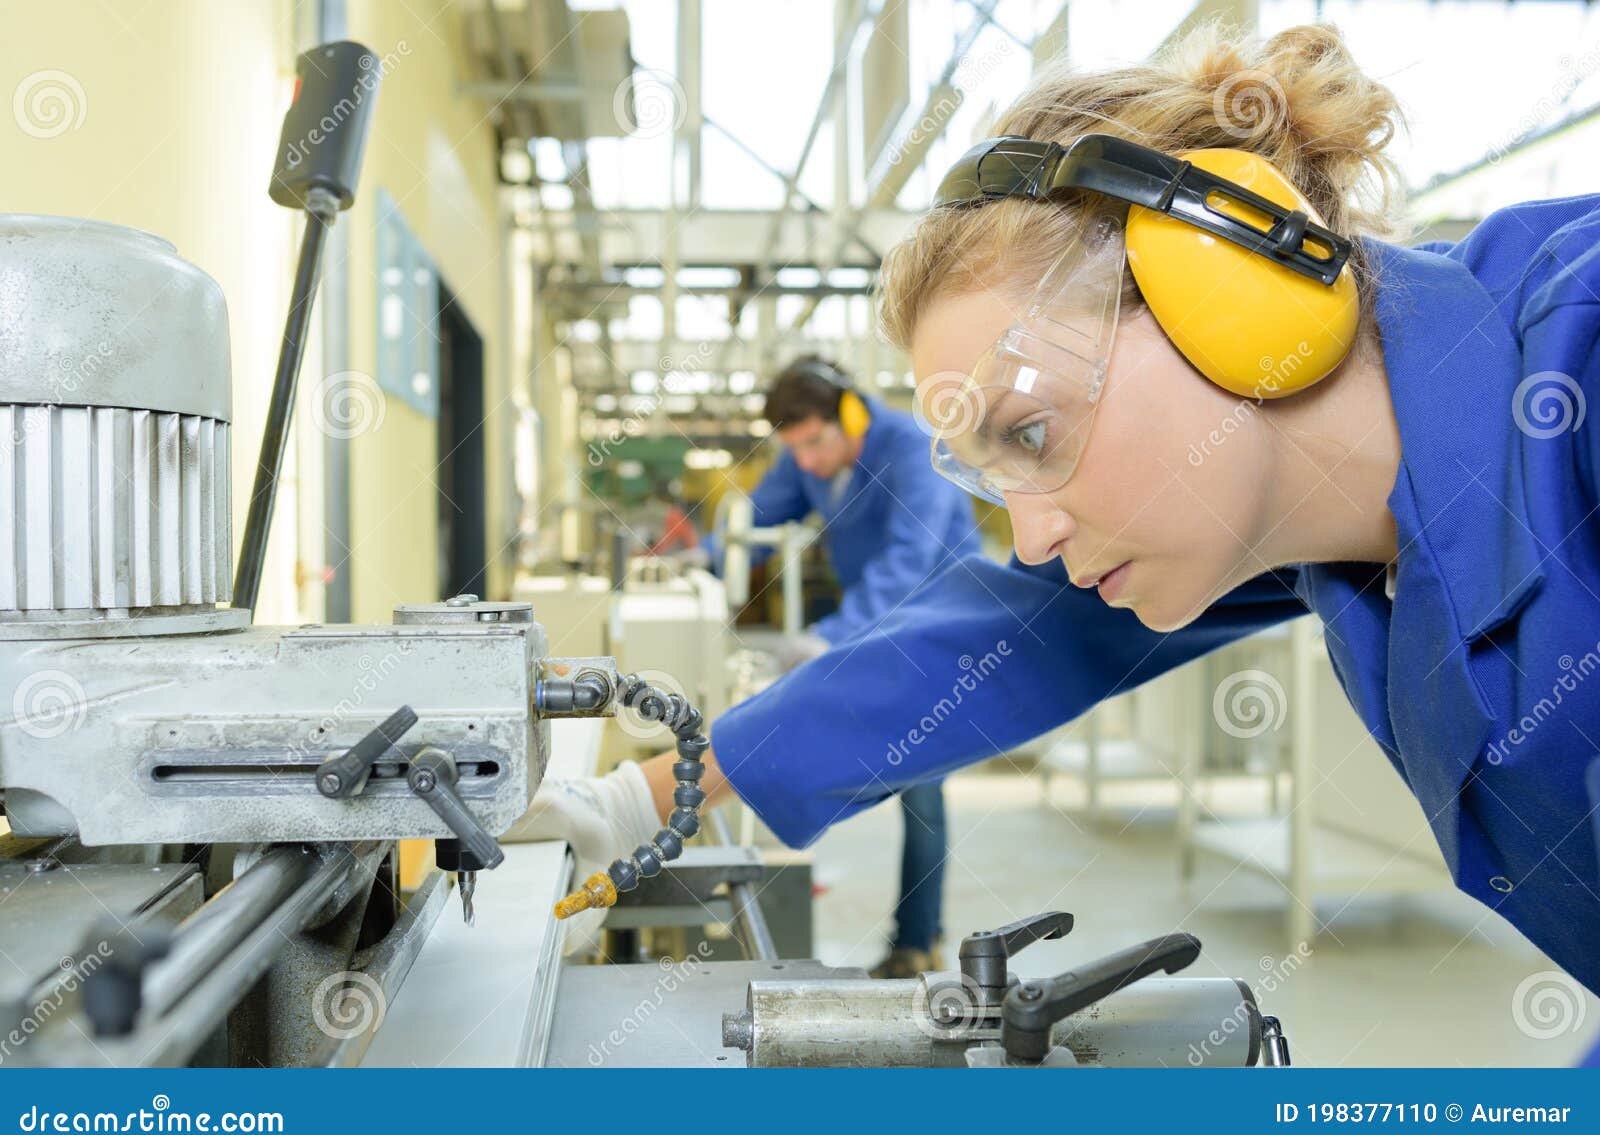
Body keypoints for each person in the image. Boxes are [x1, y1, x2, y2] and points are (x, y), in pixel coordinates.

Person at [531, 23, 1600, 999]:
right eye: (995, 477)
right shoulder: (1321, 532)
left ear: (1227, 283)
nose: (1033, 533)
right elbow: (998, 635)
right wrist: (642, 801)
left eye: (1030, 434)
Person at [710, 357, 981, 974]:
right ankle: (914, 937)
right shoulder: (807, 460)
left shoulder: (914, 450)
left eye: (811, 444)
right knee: (896, 769)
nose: (803, 461)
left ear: (850, 415)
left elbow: (906, 562)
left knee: (922, 782)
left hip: (941, 622)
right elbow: (754, 515)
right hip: (877, 624)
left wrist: (830, 636)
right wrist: (691, 561)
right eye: (792, 448)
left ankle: (916, 942)